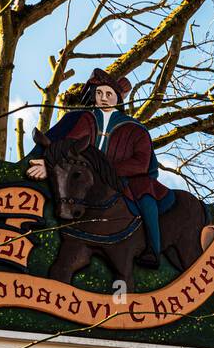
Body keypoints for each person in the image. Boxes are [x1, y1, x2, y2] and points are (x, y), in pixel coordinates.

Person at [27, 68, 172, 269]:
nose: (103, 98)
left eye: (109, 94)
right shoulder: (84, 118)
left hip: (128, 180)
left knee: (147, 200)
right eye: (99, 93)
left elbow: (142, 163)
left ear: (118, 99)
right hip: (84, 175)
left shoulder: (135, 128)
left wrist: (106, 169)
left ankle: (153, 249)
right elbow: (67, 147)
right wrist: (48, 162)